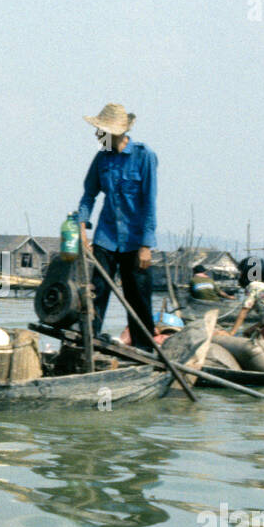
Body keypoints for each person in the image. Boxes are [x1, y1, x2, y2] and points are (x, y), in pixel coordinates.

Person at [77, 102, 158, 349]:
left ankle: (145, 350)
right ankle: (87, 343)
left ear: (118, 133)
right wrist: (82, 228)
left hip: (135, 241)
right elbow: (88, 195)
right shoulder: (101, 159)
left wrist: (146, 245)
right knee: (96, 291)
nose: (98, 136)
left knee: (138, 297)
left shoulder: (145, 156)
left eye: (102, 131)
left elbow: (149, 202)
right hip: (106, 237)